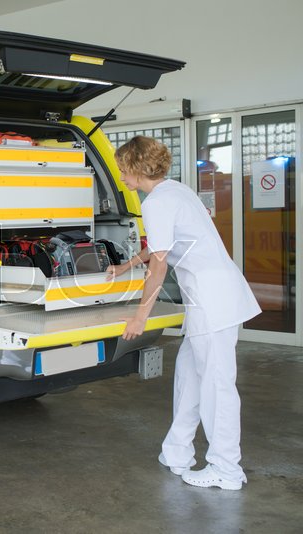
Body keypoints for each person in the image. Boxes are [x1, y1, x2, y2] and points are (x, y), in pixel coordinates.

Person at [107, 136, 260, 490]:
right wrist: (127, 263)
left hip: (213, 301)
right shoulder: (174, 191)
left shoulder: (156, 203)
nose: (120, 176)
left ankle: (226, 468)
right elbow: (160, 245)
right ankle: (177, 452)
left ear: (135, 167)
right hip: (210, 297)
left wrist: (140, 316)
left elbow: (159, 267)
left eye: (122, 169)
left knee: (217, 386)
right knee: (190, 378)